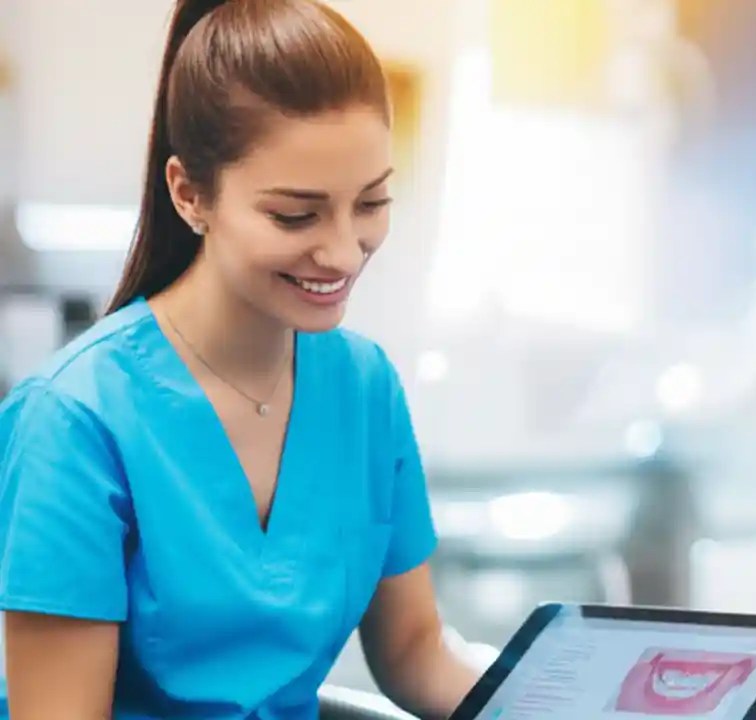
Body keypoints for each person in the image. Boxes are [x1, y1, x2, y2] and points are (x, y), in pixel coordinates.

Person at [0, 0, 481, 717]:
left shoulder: (364, 387)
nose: (345, 251)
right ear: (190, 194)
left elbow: (415, 651)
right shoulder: (73, 421)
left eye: (372, 203)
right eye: (296, 215)